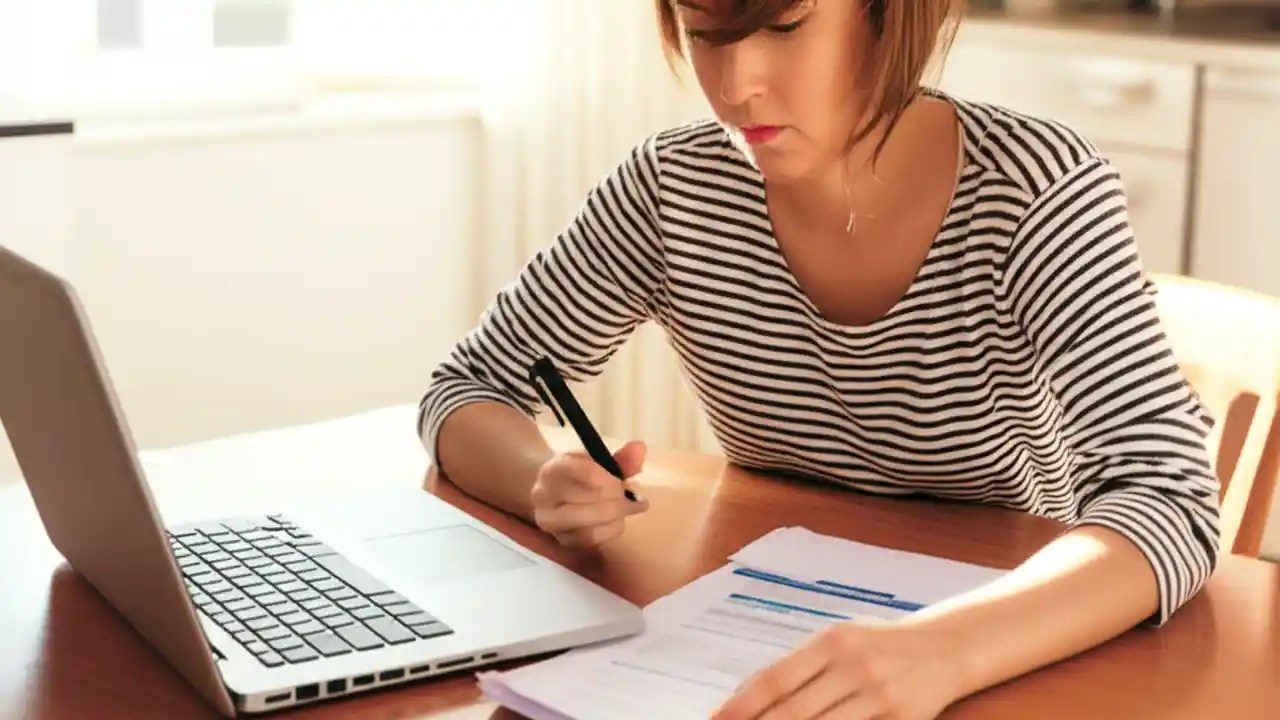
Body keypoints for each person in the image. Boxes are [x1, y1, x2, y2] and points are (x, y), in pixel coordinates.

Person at [417, 1, 1221, 718]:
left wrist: (941, 649)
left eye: (785, 27)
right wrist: (537, 479)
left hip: (1011, 635)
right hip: (760, 628)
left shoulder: (1035, 190)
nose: (737, 84)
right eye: (705, 33)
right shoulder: (673, 190)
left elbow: (1171, 501)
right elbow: (468, 387)